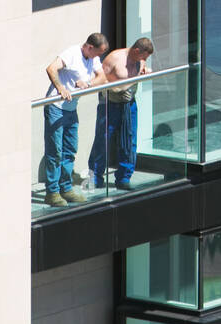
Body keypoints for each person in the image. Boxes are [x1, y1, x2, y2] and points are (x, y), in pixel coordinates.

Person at [42, 34, 109, 207]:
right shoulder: (72, 53)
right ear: (89, 47)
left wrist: (87, 83)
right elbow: (51, 68)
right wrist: (61, 88)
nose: (97, 58)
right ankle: (53, 192)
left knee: (70, 149)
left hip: (71, 110)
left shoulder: (92, 57)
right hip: (56, 108)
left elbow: (102, 77)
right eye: (96, 53)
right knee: (55, 152)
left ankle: (66, 188)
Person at [86, 39, 154, 191]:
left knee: (129, 140)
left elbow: (139, 70)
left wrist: (144, 69)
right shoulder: (115, 58)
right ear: (136, 51)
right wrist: (115, 90)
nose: (144, 61)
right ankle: (95, 176)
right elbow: (100, 79)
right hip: (111, 104)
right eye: (143, 57)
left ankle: (124, 177)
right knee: (103, 140)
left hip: (129, 104)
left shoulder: (140, 60)